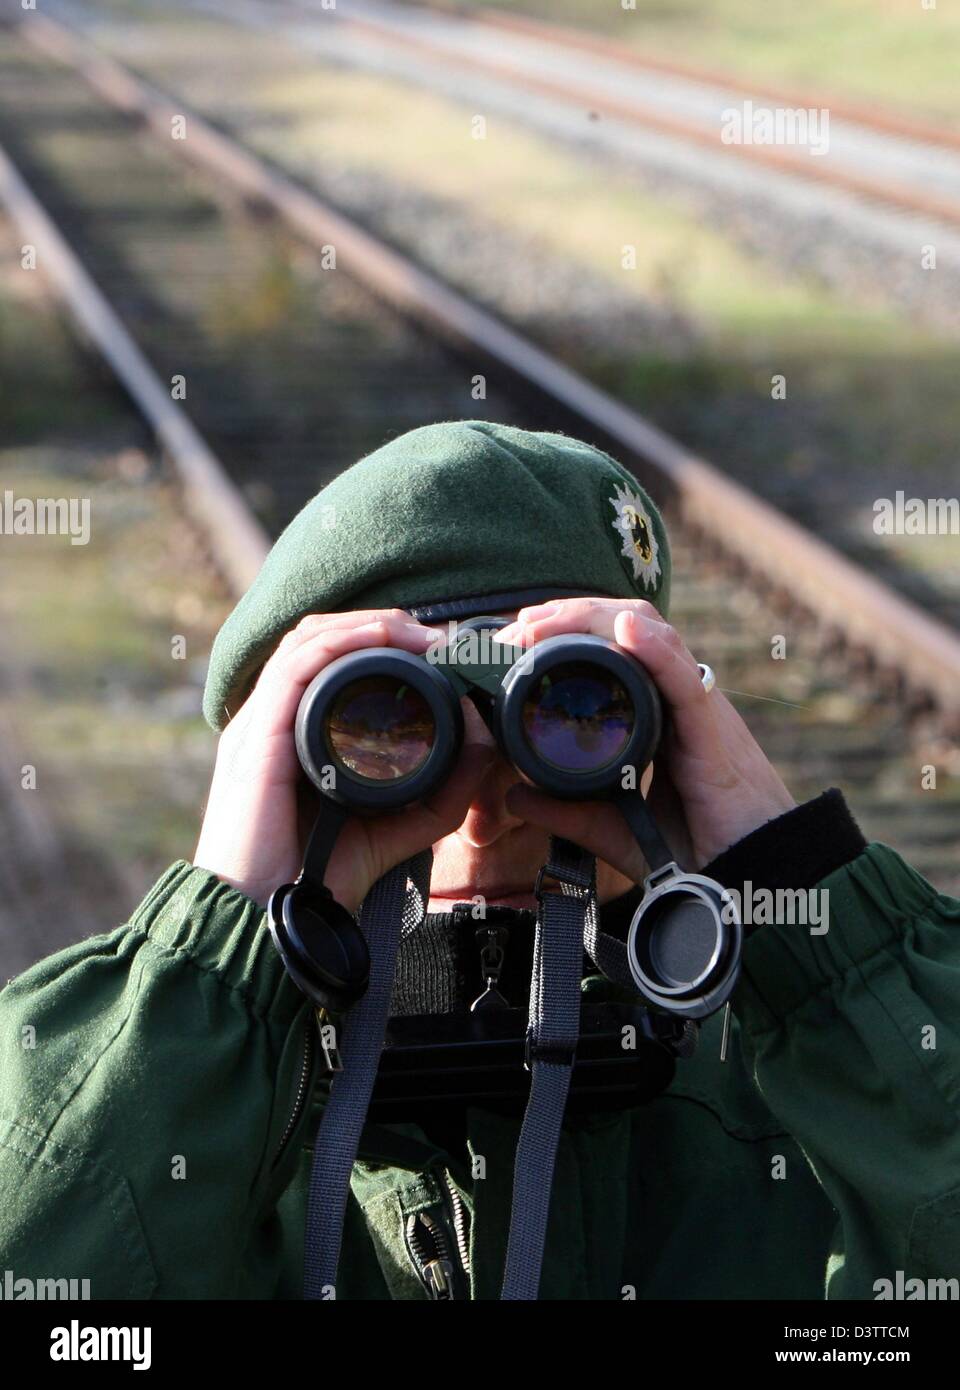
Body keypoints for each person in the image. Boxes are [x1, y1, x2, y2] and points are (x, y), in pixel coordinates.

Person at [1, 421, 958, 1300]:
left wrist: (800, 899)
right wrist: (218, 959)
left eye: (574, 718)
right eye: (386, 734)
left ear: (661, 738)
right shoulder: (196, 1128)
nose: (482, 820)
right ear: (285, 771)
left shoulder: (808, 1118)